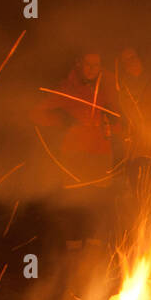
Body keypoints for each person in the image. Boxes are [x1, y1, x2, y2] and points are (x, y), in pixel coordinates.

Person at [30, 50, 124, 250]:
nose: (92, 69)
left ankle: (93, 254)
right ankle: (72, 254)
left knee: (97, 203)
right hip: (76, 156)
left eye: (96, 65)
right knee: (75, 203)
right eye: (88, 64)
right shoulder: (66, 88)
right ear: (79, 64)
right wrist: (62, 120)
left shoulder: (105, 88)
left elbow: (116, 122)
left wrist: (115, 123)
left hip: (100, 155)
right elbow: (35, 112)